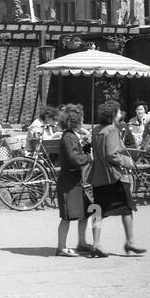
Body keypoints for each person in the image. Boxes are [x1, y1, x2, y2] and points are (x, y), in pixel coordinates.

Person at [85, 101, 144, 256]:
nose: (120, 114)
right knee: (127, 208)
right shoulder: (112, 130)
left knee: (98, 210)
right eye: (118, 112)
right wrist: (128, 162)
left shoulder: (96, 130)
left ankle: (96, 244)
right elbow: (112, 155)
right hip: (113, 176)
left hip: (98, 176)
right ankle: (130, 242)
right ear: (112, 114)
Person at [53, 104, 94, 256]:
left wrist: (85, 146)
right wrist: (88, 156)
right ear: (76, 121)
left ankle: (82, 243)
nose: (83, 121)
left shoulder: (70, 136)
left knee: (84, 213)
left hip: (75, 182)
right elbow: (74, 159)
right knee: (67, 216)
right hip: (69, 183)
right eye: (81, 119)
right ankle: (61, 248)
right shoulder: (69, 137)